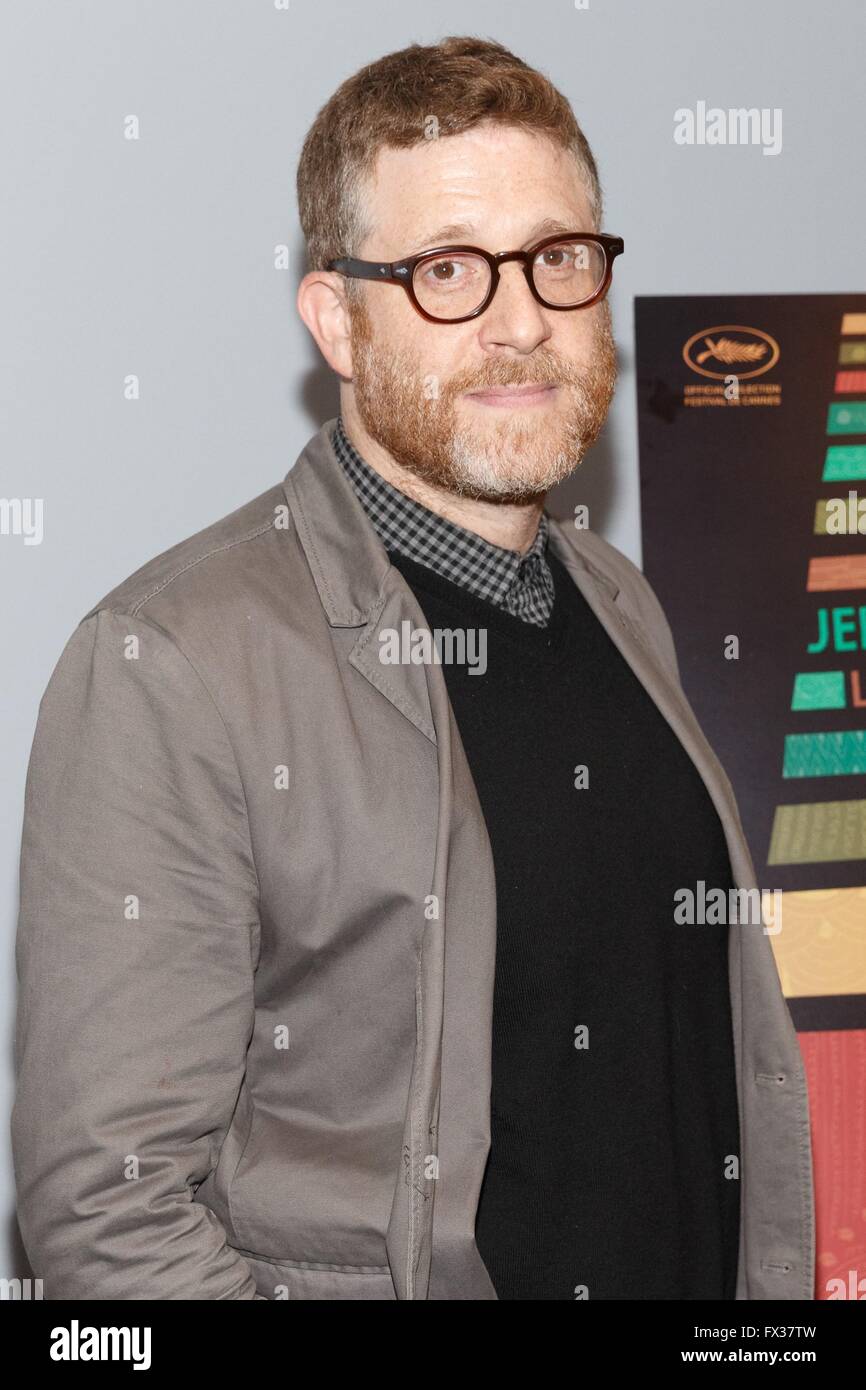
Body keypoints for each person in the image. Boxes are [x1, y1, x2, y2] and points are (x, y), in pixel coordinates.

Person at [12, 35, 814, 1300]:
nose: (518, 320)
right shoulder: (171, 661)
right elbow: (110, 1224)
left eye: (556, 258)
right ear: (337, 318)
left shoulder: (618, 601)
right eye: (447, 269)